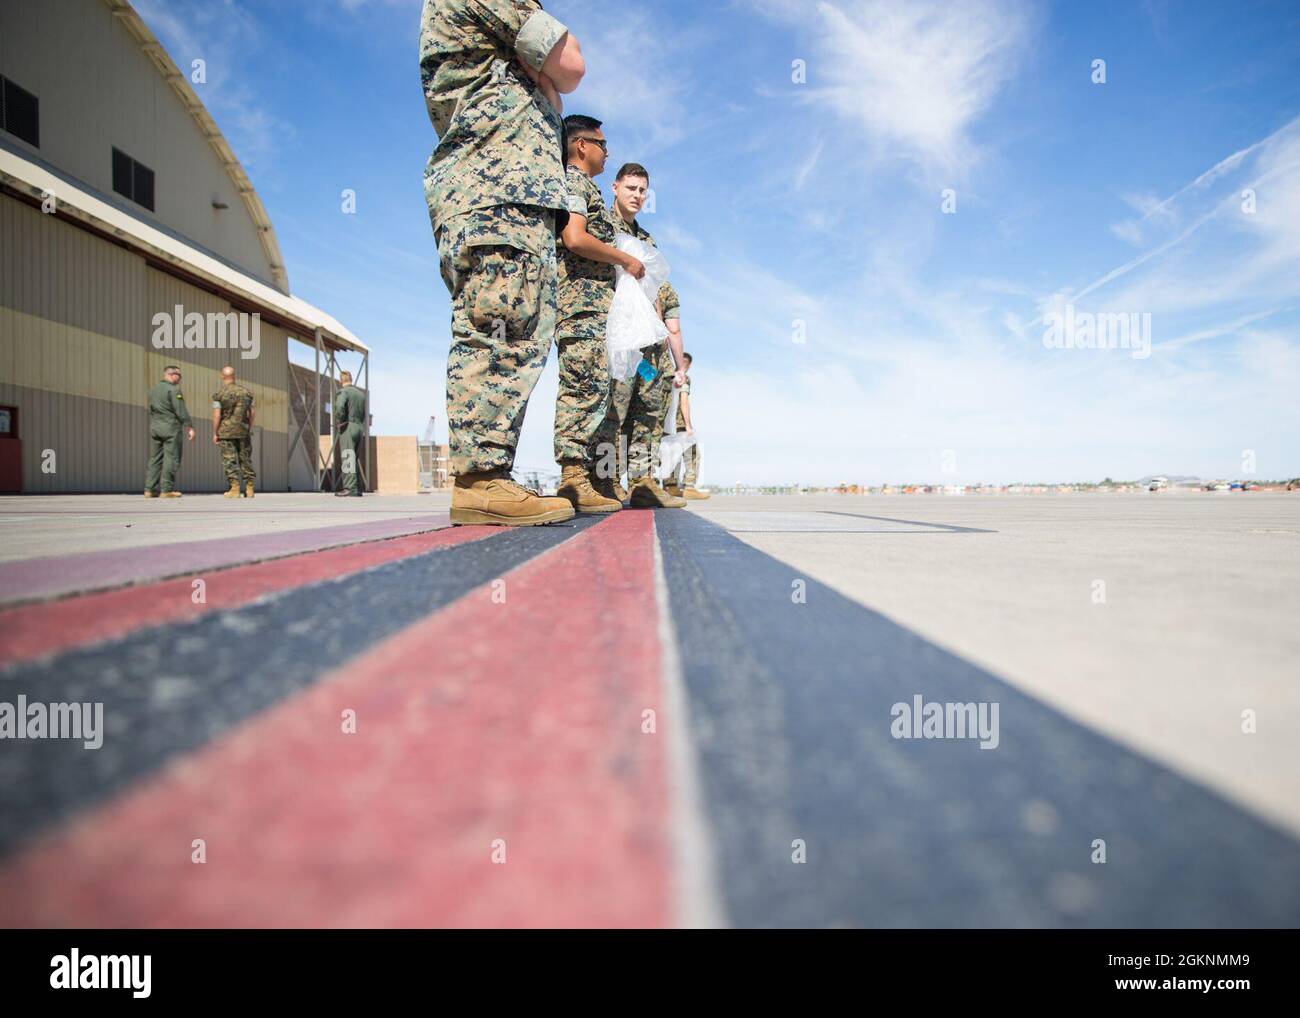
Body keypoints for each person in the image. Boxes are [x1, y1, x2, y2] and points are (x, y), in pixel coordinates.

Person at [420, 0, 584, 526]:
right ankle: (479, 480)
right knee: (498, 326)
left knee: (515, 331)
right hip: (498, 192)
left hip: (508, 193)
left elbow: (558, 91)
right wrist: (544, 75)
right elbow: (573, 67)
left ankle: (489, 475)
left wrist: (545, 78)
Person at [552, 115, 644, 514]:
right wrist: (623, 258)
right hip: (580, 308)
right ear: (582, 146)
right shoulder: (574, 181)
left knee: (595, 394)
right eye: (603, 145)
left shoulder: (585, 186)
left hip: (597, 312)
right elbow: (573, 237)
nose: (607, 152)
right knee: (581, 389)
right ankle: (573, 479)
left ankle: (591, 478)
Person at [591, 162, 685, 510]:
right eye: (631, 188)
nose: (638, 195)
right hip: (617, 334)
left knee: (647, 404)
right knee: (615, 403)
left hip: (647, 342)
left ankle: (642, 480)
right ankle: (608, 480)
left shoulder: (647, 240)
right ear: (615, 187)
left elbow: (656, 286)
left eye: (643, 190)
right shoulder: (600, 225)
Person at [144, 365, 195, 498]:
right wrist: (189, 426)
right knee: (171, 458)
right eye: (179, 375)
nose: (180, 378)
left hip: (155, 427)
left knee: (155, 458)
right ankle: (166, 489)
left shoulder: (153, 390)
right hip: (170, 428)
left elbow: (151, 409)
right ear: (172, 375)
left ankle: (149, 489)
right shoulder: (173, 390)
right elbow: (180, 409)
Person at [666, 352, 708, 499]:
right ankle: (689, 486)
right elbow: (684, 401)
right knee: (692, 451)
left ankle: (670, 486)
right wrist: (688, 425)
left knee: (671, 453)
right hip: (678, 422)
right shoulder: (684, 378)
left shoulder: (666, 375)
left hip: (665, 423)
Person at [212, 365, 256, 498]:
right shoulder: (247, 393)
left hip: (226, 432)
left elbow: (217, 415)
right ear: (234, 377)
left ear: (222, 376)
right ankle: (249, 489)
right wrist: (249, 427)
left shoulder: (219, 395)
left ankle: (235, 489)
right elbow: (252, 412)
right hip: (243, 430)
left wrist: (215, 432)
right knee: (245, 458)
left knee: (229, 460)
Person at [332, 370, 367, 498]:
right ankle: (357, 488)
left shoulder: (343, 392)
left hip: (348, 426)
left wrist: (339, 421)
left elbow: (340, 407)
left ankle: (349, 488)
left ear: (341, 380)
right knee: (354, 458)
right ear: (351, 379)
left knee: (347, 456)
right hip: (359, 427)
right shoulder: (360, 394)